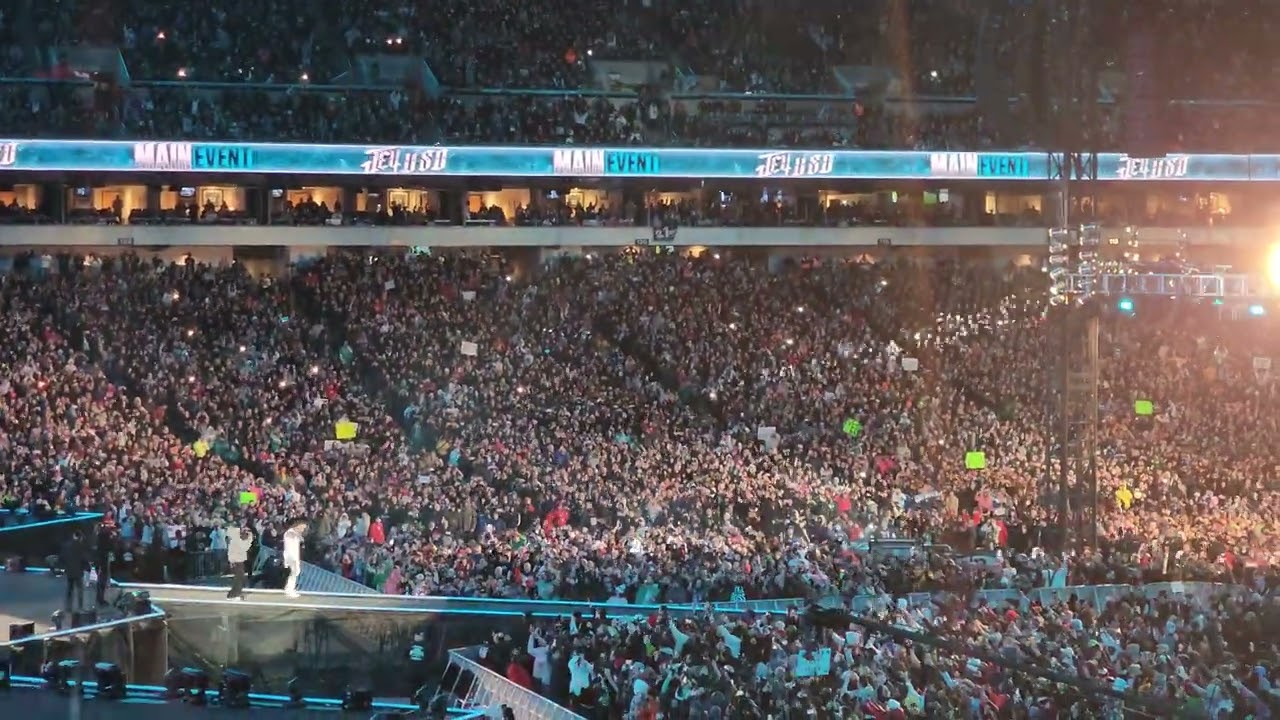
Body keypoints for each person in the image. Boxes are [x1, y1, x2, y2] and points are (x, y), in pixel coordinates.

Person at [60, 530, 89, 614]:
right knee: (80, 589)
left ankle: (68, 607)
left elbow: (62, 557)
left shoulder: (66, 545)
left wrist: (64, 567)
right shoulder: (80, 546)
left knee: (69, 590)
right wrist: (87, 567)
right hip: (78, 571)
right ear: (80, 537)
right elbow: (83, 558)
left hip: (69, 570)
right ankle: (80, 607)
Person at [226, 526, 253, 601]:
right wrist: (249, 539)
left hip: (239, 561)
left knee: (240, 578)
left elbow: (245, 547)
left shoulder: (237, 540)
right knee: (238, 578)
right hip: (235, 561)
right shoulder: (236, 540)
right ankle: (233, 595)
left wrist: (249, 538)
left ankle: (235, 593)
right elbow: (243, 547)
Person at [94, 520, 117, 607]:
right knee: (102, 580)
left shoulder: (99, 535)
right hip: (103, 560)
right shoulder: (106, 535)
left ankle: (99, 598)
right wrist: (113, 538)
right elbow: (110, 547)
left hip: (99, 560)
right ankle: (100, 599)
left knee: (101, 579)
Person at [282, 521, 306, 598]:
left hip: (294, 555)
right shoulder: (290, 532)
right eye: (302, 528)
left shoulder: (296, 534)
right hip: (290, 556)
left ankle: (290, 588)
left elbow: (301, 540)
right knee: (293, 572)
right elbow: (291, 535)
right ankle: (289, 590)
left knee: (295, 573)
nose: (302, 530)